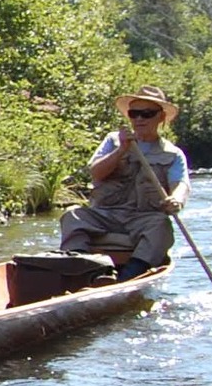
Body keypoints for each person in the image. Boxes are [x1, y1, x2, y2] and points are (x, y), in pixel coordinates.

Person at [59, 85, 189, 282]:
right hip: (105, 214)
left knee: (161, 225)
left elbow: (181, 184)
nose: (139, 119)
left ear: (161, 117)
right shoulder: (113, 141)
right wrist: (121, 151)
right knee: (73, 216)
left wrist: (176, 200)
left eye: (147, 114)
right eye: (134, 113)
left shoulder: (172, 154)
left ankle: (128, 277)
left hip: (142, 218)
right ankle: (83, 273)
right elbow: (96, 173)